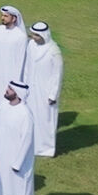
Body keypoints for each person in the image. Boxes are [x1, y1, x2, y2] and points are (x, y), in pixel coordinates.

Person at [26, 23, 63, 156]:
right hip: (31, 88)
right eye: (33, 34)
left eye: (37, 35)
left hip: (45, 91)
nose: (34, 38)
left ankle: (46, 148)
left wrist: (53, 95)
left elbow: (57, 74)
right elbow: (27, 67)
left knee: (45, 119)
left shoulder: (54, 51)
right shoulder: (31, 46)